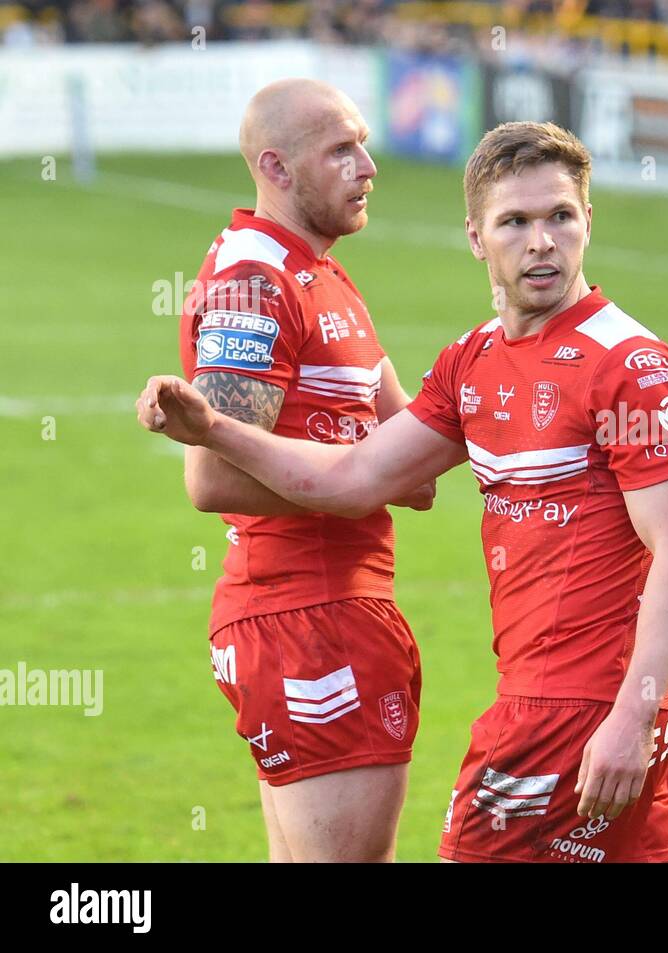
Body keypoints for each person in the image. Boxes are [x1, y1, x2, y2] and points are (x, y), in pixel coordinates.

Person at [142, 121, 668, 864]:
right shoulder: (472, 361)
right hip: (553, 704)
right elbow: (356, 479)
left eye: (560, 217)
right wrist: (216, 427)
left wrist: (631, 717)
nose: (542, 241)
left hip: (587, 711)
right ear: (477, 237)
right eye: (515, 222)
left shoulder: (631, 366)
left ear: (588, 222)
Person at [177, 78, 434, 862]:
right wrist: (361, 476)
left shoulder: (320, 273)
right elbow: (213, 476)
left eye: (363, 141)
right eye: (341, 150)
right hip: (306, 618)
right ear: (277, 169)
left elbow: (415, 464)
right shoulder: (255, 281)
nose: (368, 165)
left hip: (334, 610)